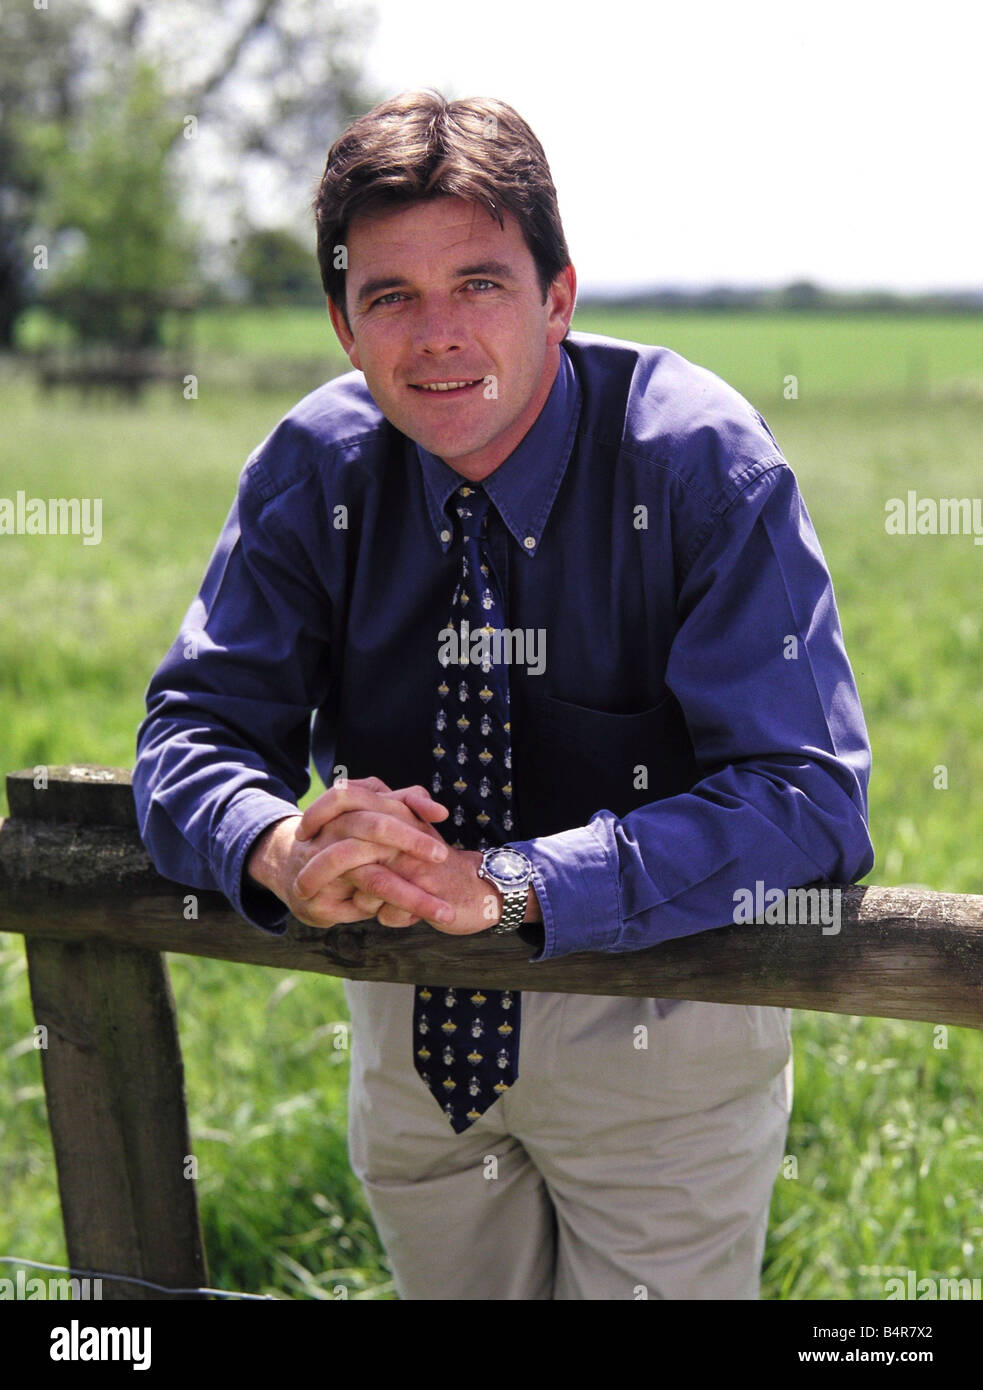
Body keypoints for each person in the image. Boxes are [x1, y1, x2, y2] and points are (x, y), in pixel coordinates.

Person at [133, 90, 874, 1301]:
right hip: (404, 1013)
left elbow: (809, 803)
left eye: (477, 283)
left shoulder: (700, 465)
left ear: (557, 299)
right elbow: (189, 734)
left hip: (661, 1019)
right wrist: (273, 843)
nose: (436, 335)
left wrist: (516, 881)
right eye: (390, 296)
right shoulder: (312, 466)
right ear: (341, 324)